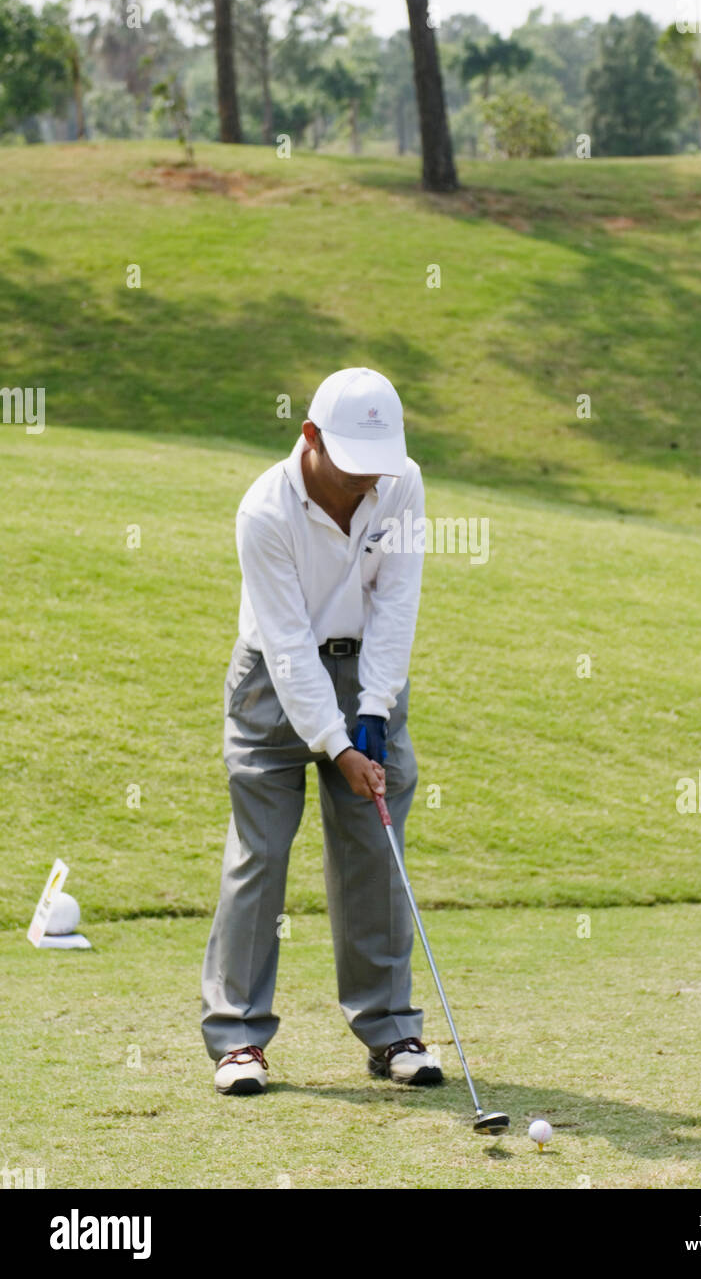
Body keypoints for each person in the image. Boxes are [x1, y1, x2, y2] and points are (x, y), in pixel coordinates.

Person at [201, 367, 442, 1094]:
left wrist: (372, 711)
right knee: (261, 853)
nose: (369, 483)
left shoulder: (398, 482)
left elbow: (397, 601)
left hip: (366, 670)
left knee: (375, 846)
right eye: (355, 467)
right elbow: (286, 646)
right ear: (309, 438)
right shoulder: (263, 512)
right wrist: (335, 745)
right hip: (274, 686)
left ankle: (392, 1029)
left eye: (379, 468)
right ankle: (238, 1039)